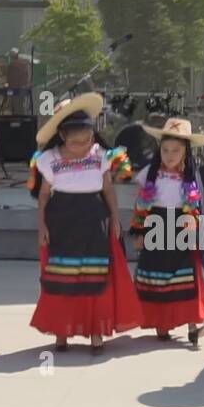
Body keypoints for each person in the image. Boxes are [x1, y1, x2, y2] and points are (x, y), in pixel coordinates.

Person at [28, 93, 142, 353]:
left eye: (86, 140)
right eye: (75, 142)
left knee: (95, 277)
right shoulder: (48, 160)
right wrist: (42, 226)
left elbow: (108, 190)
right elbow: (43, 196)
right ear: (62, 136)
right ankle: (61, 332)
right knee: (62, 279)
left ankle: (96, 332)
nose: (82, 146)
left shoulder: (100, 155)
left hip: (94, 219)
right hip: (61, 222)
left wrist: (115, 218)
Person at [130, 118, 204, 346]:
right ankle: (162, 324)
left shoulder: (190, 177)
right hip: (155, 225)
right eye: (165, 150)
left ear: (186, 153)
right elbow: (140, 204)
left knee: (186, 276)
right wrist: (139, 232)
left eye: (176, 150)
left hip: (182, 227)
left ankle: (193, 325)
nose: (170, 155)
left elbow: (197, 207)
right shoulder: (148, 175)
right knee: (158, 277)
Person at [5, 48, 32, 115]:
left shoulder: (11, 65)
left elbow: (9, 78)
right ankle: (22, 118)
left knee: (14, 105)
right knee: (21, 104)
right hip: (22, 88)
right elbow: (26, 77)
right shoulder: (24, 65)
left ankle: (16, 118)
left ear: (12, 56)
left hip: (13, 89)